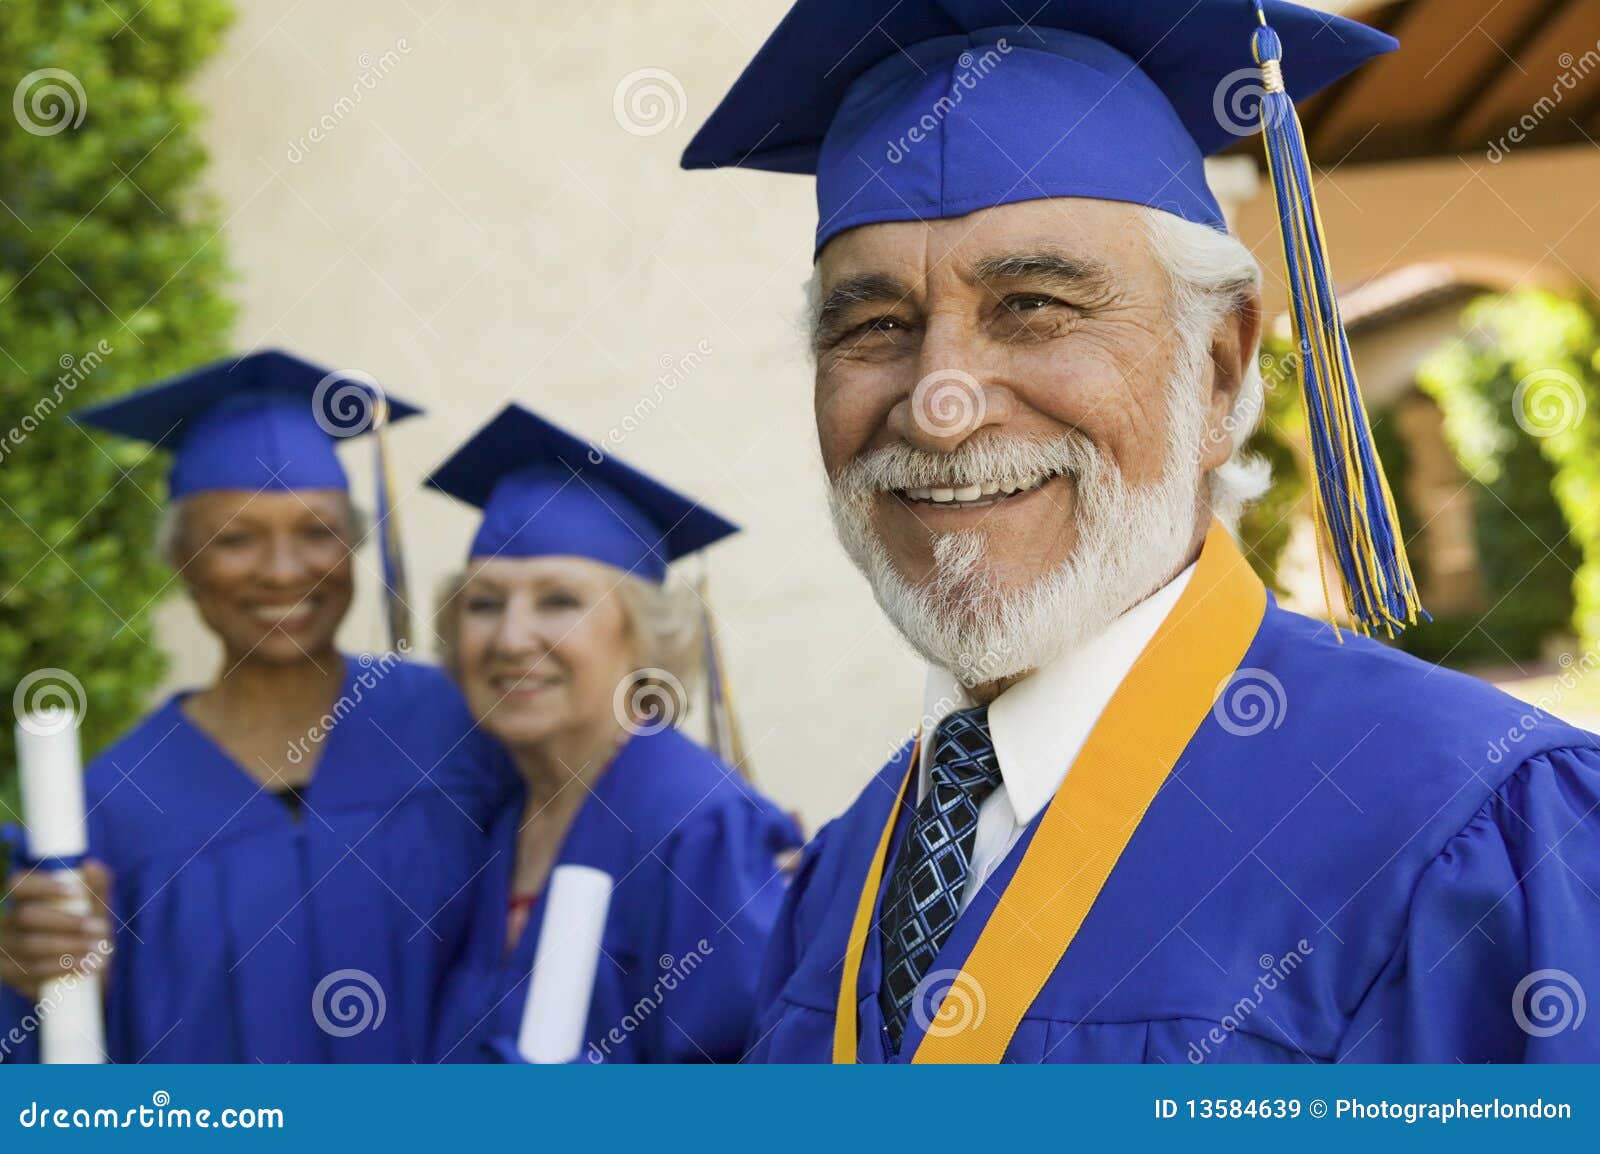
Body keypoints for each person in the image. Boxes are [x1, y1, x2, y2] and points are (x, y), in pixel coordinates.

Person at [682, 0, 1600, 1063]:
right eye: (874, 325)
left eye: (1033, 305)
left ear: (1218, 370)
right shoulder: (846, 870)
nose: (938, 402)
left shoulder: (1478, 832)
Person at [0, 350, 512, 1063]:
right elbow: (64, 1076)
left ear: (356, 545)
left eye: (316, 532)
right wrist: (39, 986)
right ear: (180, 562)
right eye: (235, 538)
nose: (281, 571)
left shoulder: (464, 734)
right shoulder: (111, 810)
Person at [425, 404, 801, 1063]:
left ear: (643, 635)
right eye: (484, 604)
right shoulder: (497, 812)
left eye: (559, 602)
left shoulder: (698, 827)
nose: (511, 639)